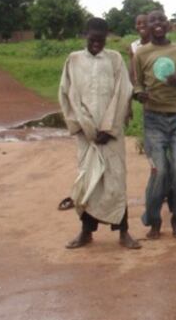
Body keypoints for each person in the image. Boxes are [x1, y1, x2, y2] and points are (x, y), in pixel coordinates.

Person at [58, 17, 141, 250]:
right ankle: (86, 232)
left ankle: (123, 232)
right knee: (88, 182)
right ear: (85, 35)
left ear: (107, 37)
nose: (97, 44)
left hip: (110, 134)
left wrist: (108, 128)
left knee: (116, 181)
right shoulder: (73, 60)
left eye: (101, 40)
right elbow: (67, 95)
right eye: (93, 39)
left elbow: (122, 92)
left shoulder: (115, 60)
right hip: (86, 135)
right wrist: (84, 127)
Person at [133, 8, 176, 239]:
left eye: (161, 19)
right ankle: (154, 221)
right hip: (154, 119)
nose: (157, 24)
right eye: (152, 21)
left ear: (168, 24)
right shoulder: (141, 53)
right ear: (146, 27)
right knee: (159, 171)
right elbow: (138, 83)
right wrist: (139, 95)